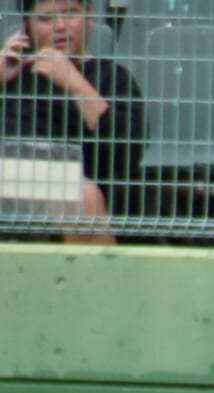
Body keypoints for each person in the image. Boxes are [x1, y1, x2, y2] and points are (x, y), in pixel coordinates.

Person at [0, 0, 140, 242]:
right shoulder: (11, 71)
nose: (61, 27)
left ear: (89, 16)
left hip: (67, 176)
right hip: (6, 171)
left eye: (71, 14)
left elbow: (128, 151)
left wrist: (73, 81)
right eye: (46, 19)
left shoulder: (113, 78)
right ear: (27, 25)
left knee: (82, 197)